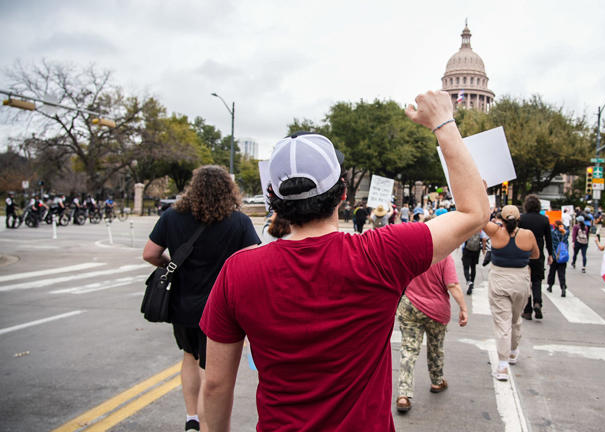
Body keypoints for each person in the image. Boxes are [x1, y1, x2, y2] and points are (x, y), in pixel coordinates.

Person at [199, 90, 489, 431]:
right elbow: (475, 211)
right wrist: (443, 122)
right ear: (343, 193)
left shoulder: (237, 271)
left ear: (272, 201)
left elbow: (216, 386)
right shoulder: (383, 253)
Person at [142, 165, 260, 432]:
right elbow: (253, 258)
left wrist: (170, 264)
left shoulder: (172, 217)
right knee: (212, 371)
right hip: (220, 307)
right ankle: (208, 425)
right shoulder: (239, 221)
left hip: (182, 302)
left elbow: (150, 253)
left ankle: (192, 418)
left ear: (193, 188)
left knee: (189, 357)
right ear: (228, 190)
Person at [395, 248, 468, 413]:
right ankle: (436, 381)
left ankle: (403, 395)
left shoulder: (413, 252)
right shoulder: (445, 256)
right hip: (436, 309)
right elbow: (453, 285)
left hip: (410, 306)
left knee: (408, 350)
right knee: (435, 347)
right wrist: (463, 308)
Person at [483, 205, 540, 380]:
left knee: (502, 323)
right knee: (516, 319)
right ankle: (514, 351)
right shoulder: (528, 235)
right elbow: (536, 255)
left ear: (502, 217)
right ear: (518, 218)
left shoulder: (495, 231)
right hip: (520, 280)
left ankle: (502, 365)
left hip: (500, 279)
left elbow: (480, 220)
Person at [518, 194, 553, 320]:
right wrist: (550, 254)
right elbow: (549, 239)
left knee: (526, 282)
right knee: (537, 280)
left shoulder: (522, 219)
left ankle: (527, 310)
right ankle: (537, 303)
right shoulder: (544, 220)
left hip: (524, 253)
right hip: (538, 254)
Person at [461, 228, 487, 295]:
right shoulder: (479, 230)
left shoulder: (468, 229)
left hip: (466, 250)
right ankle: (472, 282)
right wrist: (483, 249)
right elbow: (484, 238)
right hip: (476, 251)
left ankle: (469, 281)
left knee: (466, 268)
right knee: (473, 267)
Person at [547, 220, 569, 297]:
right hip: (562, 256)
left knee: (552, 272)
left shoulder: (553, 233)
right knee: (562, 273)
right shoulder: (565, 233)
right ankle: (563, 287)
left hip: (554, 255)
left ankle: (550, 286)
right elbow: (567, 232)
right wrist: (563, 228)